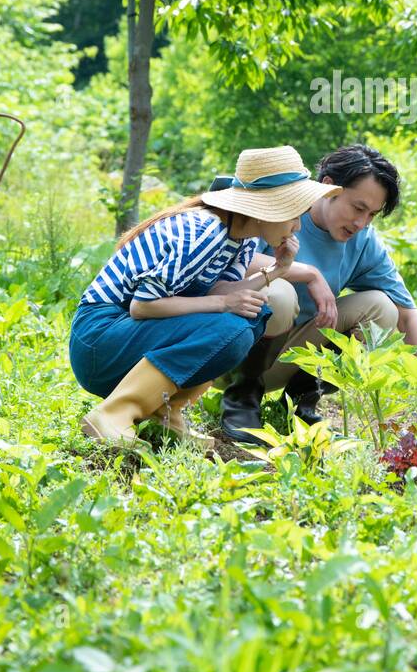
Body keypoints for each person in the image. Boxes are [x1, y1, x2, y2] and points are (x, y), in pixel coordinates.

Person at [69, 146, 340, 450]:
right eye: (294, 215)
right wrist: (224, 305)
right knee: (230, 327)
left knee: (249, 320)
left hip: (127, 337)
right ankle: (114, 414)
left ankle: (165, 414)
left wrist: (280, 269)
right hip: (99, 341)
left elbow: (220, 290)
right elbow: (142, 305)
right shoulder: (204, 231)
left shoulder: (243, 237)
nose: (298, 227)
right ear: (268, 207)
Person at [217, 144, 417, 445]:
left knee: (381, 308)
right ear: (328, 187)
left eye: (372, 214)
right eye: (358, 208)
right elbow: (232, 261)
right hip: (228, 354)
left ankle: (300, 405)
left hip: (286, 358)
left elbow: (408, 317)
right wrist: (306, 271)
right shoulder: (282, 206)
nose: (361, 223)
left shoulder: (362, 241)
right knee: (279, 293)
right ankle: (241, 401)